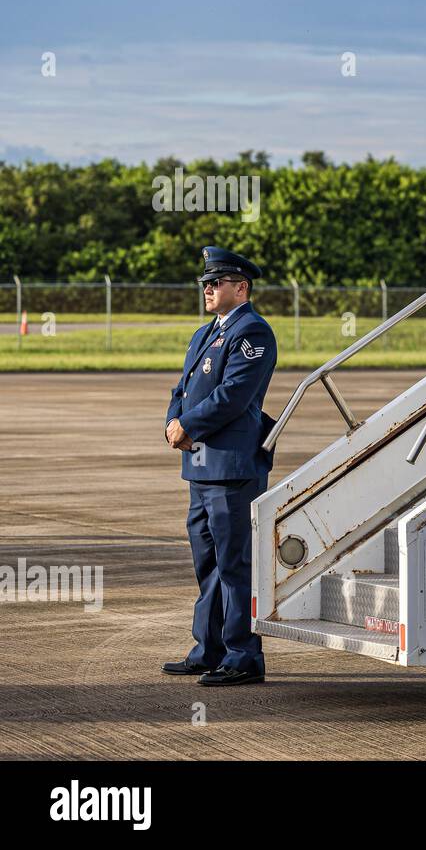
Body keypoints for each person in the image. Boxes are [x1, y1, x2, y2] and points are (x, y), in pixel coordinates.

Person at [162, 246, 277, 687]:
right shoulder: (205, 333)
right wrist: (173, 423)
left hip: (231, 467)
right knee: (207, 562)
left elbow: (232, 396)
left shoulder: (253, 333)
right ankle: (207, 648)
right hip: (200, 465)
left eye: (217, 283)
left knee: (235, 564)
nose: (208, 289)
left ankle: (243, 655)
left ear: (241, 288)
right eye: (206, 284)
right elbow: (183, 386)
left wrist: (187, 425)